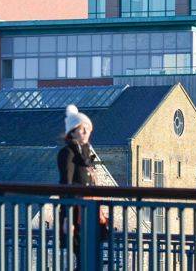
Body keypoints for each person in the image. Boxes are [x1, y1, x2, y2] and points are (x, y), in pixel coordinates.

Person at [57, 104, 106, 269]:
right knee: (84, 259)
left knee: (89, 259)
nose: (85, 131)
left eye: (88, 128)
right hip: (77, 215)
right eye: (81, 128)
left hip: (90, 214)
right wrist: (67, 219)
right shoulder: (68, 153)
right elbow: (66, 186)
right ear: (72, 132)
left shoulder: (86, 153)